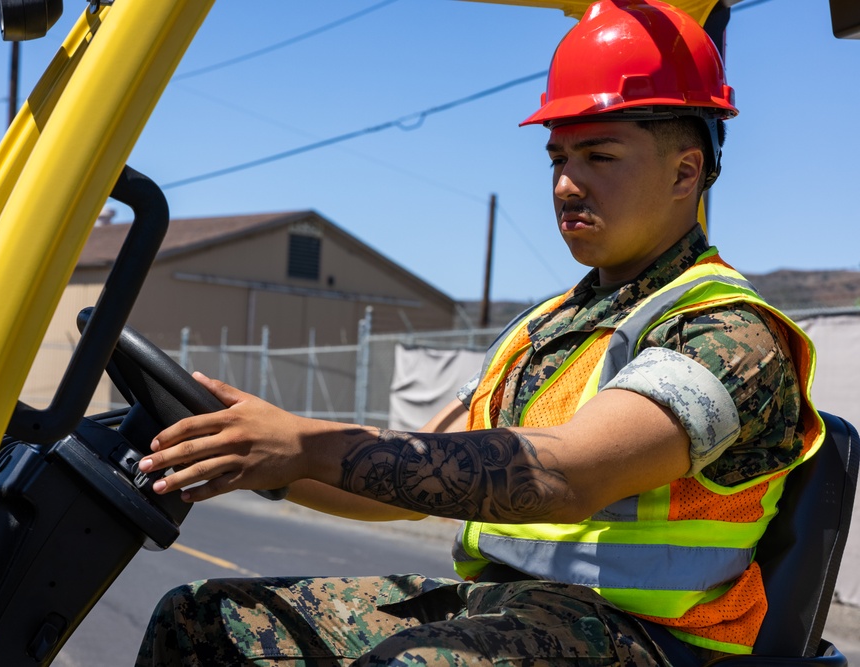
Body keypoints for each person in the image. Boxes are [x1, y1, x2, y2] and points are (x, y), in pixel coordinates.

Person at [134, 1, 824, 664]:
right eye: (558, 157)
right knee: (201, 626)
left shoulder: (726, 331)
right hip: (509, 610)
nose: (564, 184)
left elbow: (564, 473)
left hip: (643, 640)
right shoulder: (545, 327)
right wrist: (256, 455)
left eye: (599, 156)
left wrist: (305, 447)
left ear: (686, 172)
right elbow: (422, 465)